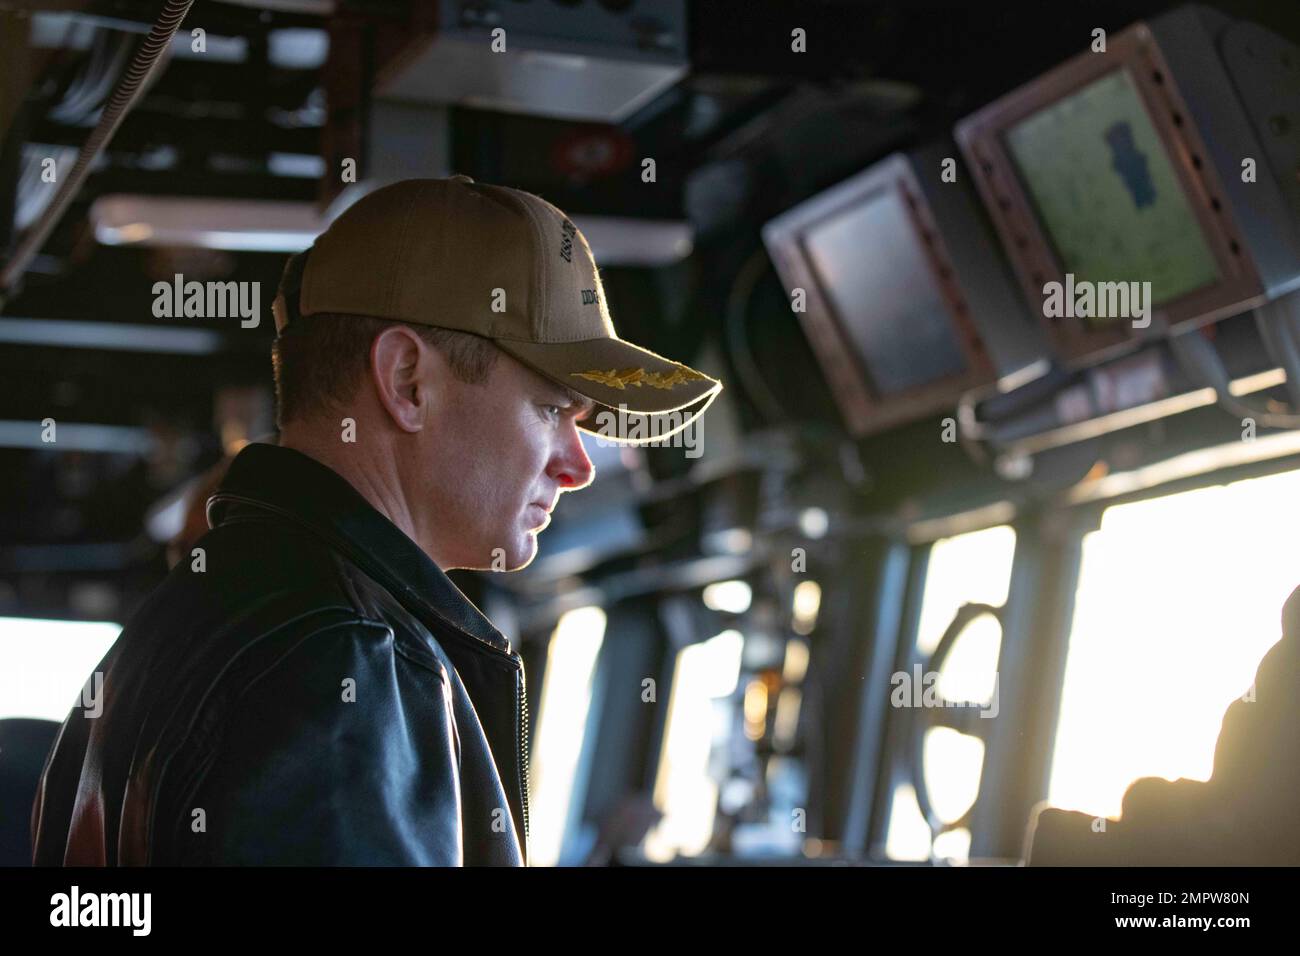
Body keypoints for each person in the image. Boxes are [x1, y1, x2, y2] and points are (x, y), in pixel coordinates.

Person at [31, 175, 722, 865]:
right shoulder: (341, 659)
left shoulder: (166, 637)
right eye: (552, 410)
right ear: (407, 383)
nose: (578, 466)